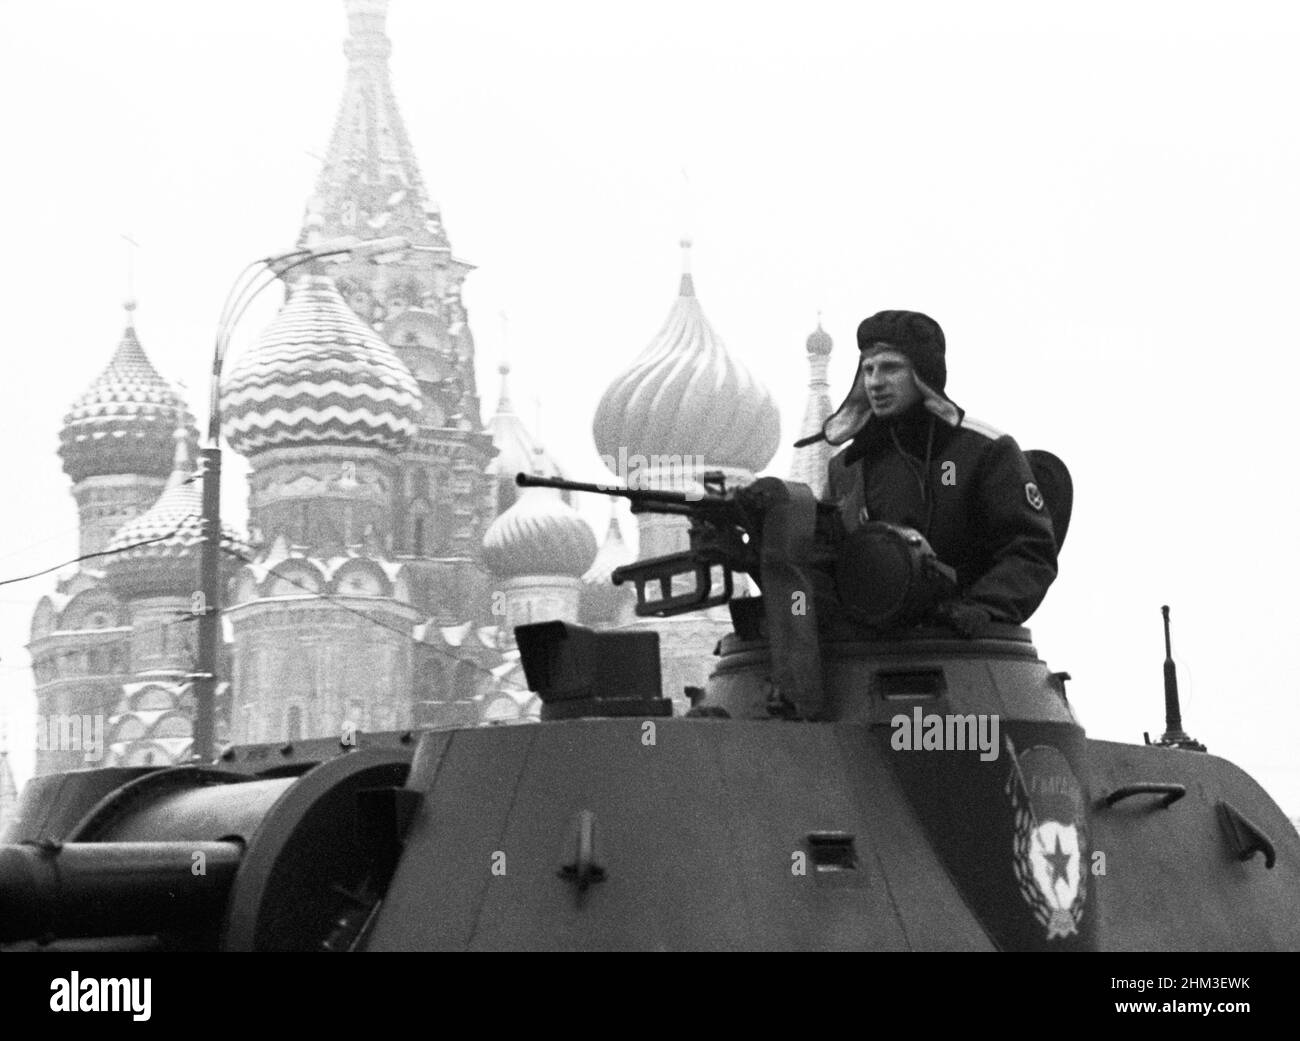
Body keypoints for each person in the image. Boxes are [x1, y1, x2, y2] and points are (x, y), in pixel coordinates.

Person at [797, 309, 1058, 638]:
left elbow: (1031, 551)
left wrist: (984, 606)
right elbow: (825, 560)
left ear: (923, 373)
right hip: (869, 648)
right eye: (868, 369)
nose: (875, 382)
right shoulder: (848, 466)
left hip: (960, 646)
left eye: (891, 367)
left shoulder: (982, 451)